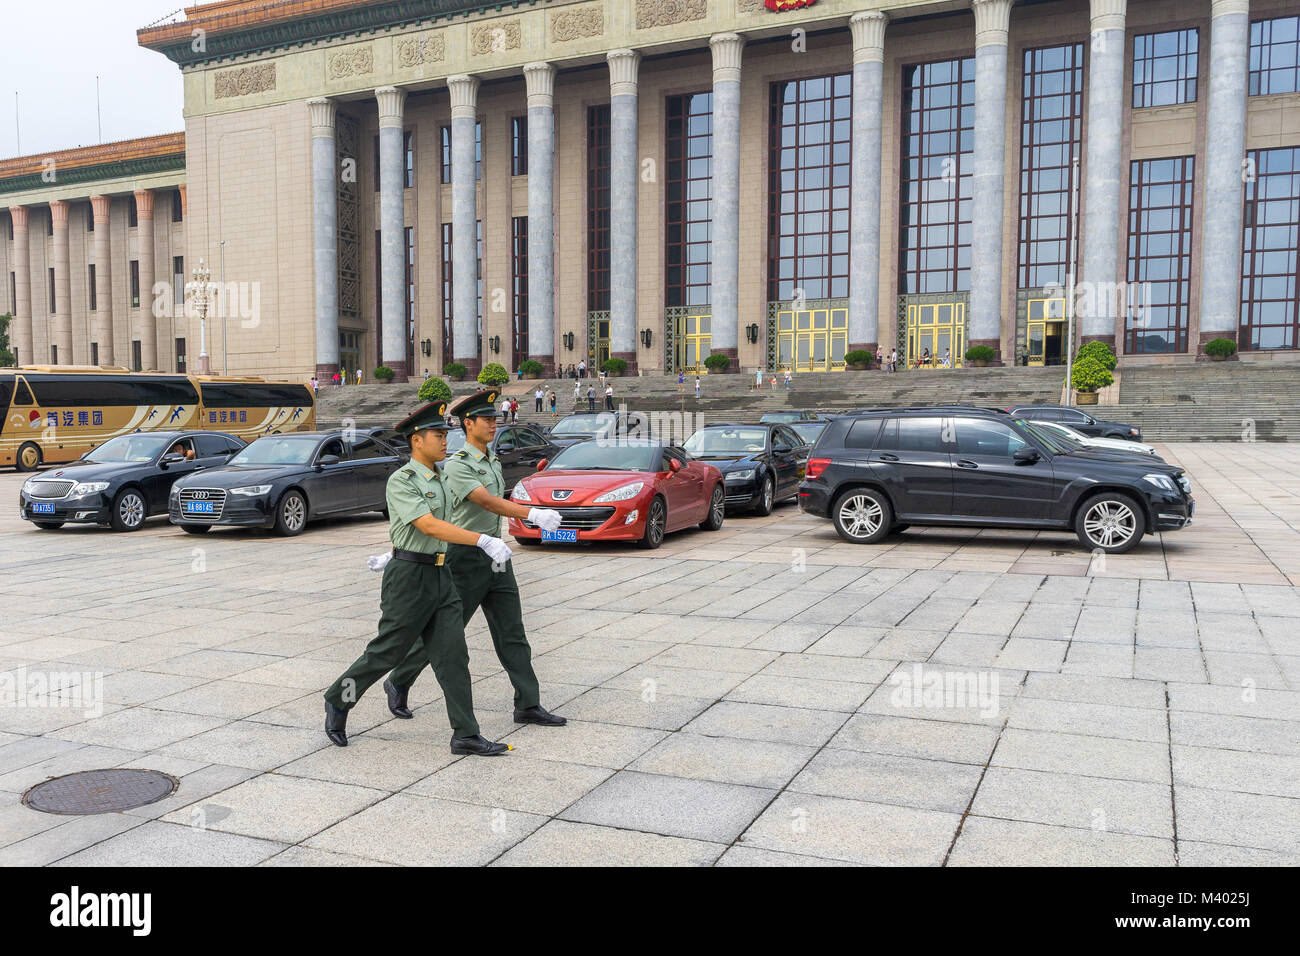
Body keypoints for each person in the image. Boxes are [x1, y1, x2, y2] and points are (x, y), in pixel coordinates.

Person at [323, 401, 513, 756]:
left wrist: (396, 547)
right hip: (410, 579)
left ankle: (465, 734)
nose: (445, 442)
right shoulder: (403, 480)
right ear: (416, 441)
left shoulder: (441, 479)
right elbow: (425, 524)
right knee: (386, 652)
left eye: (445, 434)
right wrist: (482, 539)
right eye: (437, 436)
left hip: (443, 574)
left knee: (453, 657)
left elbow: (443, 527)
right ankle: (338, 698)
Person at [385, 390, 568, 733]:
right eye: (487, 420)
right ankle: (399, 679)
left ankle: (527, 703)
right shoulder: (457, 465)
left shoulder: (492, 460)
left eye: (495, 418)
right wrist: (532, 514)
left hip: (496, 556)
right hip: (466, 557)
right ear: (468, 424)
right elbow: (485, 501)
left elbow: (495, 499)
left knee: (512, 632)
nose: (493, 424)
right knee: (446, 633)